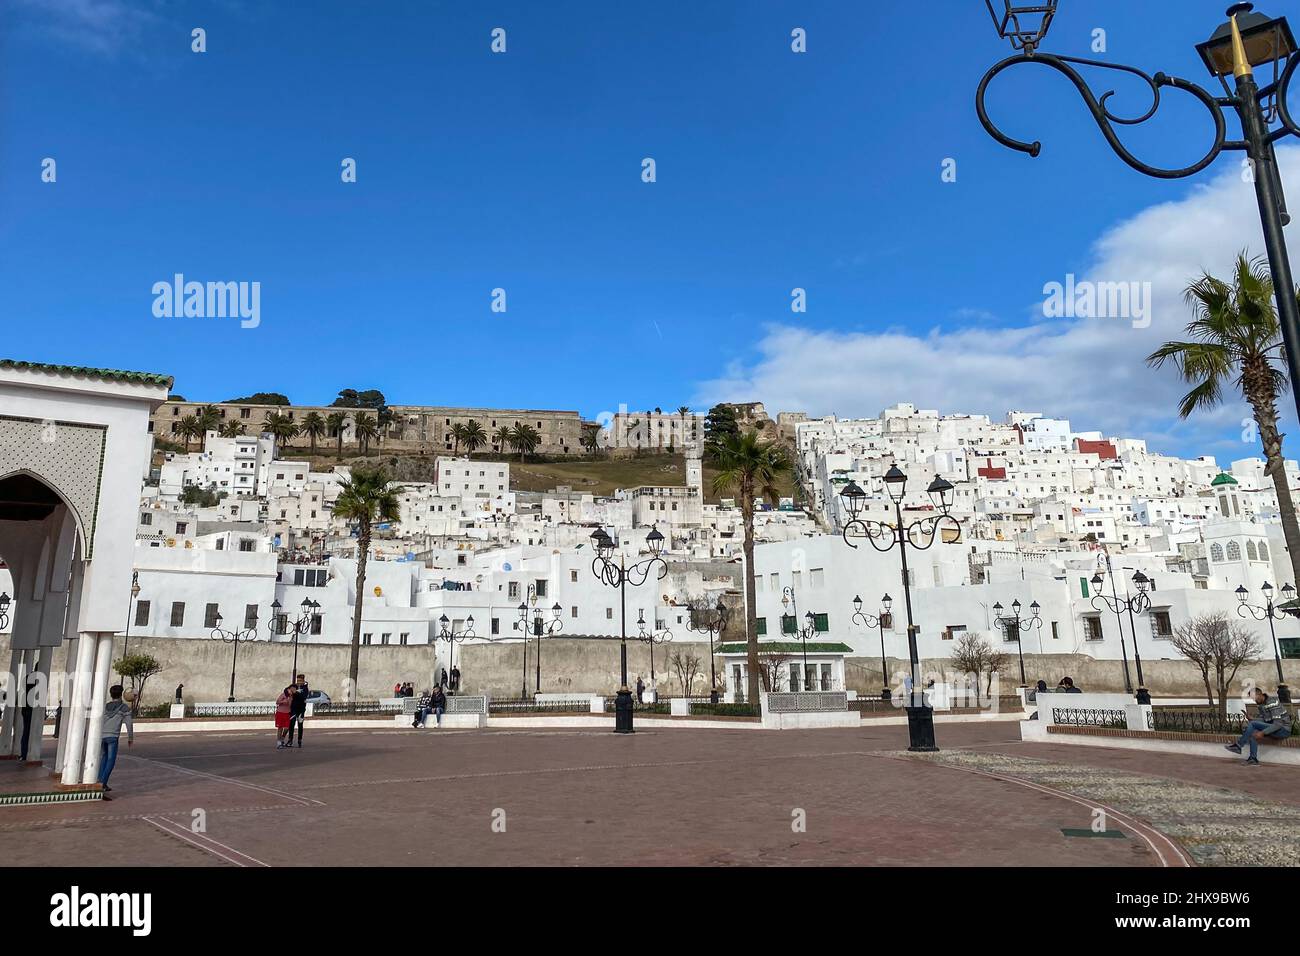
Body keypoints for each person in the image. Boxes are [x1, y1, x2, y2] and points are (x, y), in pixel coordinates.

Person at [1226, 687, 1292, 764]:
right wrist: (1252, 719)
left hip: (1283, 730)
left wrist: (1263, 732)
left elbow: (1278, 724)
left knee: (1253, 725)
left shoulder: (1272, 702)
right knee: (1252, 733)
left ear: (1259, 694)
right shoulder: (1261, 705)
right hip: (1273, 728)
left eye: (1254, 698)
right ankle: (1253, 759)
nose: (1254, 700)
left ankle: (1238, 746)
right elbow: (1266, 720)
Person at [98, 685, 133, 798]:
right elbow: (129, 723)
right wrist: (130, 738)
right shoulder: (124, 708)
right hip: (113, 737)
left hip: (102, 736)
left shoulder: (105, 706)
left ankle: (100, 782)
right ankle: (102, 784)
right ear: (121, 694)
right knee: (110, 761)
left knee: (103, 758)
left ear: (111, 694)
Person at [18, 676, 38, 762]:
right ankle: (26, 753)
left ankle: (23, 754)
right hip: (29, 711)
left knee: (26, 732)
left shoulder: (27, 681)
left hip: (25, 710)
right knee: (28, 732)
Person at [287, 674, 309, 748]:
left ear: (303, 680)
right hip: (293, 709)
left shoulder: (305, 688)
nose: (299, 682)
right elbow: (286, 690)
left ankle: (299, 740)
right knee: (291, 724)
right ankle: (290, 740)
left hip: (301, 710)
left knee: (300, 725)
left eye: (300, 680)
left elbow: (303, 697)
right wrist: (289, 691)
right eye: (298, 680)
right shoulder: (294, 686)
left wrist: (296, 692)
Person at [274, 685, 295, 749]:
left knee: (286, 728)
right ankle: (278, 743)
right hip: (280, 712)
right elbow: (277, 702)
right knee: (280, 728)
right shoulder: (283, 695)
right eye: (291, 689)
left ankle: (282, 739)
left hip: (287, 713)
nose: (292, 690)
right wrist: (283, 701)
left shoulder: (292, 696)